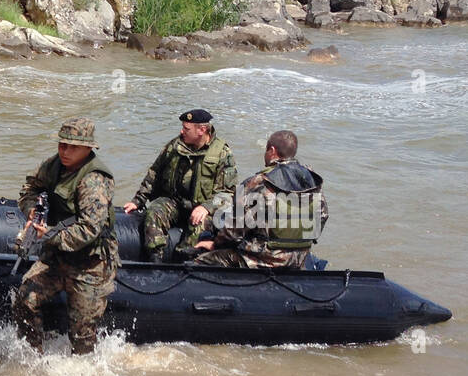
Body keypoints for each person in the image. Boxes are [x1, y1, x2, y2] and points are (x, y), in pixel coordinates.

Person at [13, 118, 119, 355]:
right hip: (57, 256)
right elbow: (29, 189)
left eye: (72, 146)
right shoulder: (53, 165)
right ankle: (33, 356)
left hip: (90, 265)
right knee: (25, 301)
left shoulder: (94, 180)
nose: (65, 150)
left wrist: (49, 235)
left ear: (88, 148)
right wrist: (32, 210)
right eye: (62, 144)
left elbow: (90, 229)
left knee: (82, 334)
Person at [190, 130, 328, 269]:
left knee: (200, 262)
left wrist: (214, 244)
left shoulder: (257, 182)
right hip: (300, 258)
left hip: (264, 261)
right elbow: (323, 216)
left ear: (272, 151)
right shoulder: (311, 179)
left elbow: (234, 231)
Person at [122, 109, 237, 262]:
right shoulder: (175, 146)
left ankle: (185, 259)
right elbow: (154, 173)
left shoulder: (222, 153)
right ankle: (155, 259)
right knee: (155, 211)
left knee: (200, 223)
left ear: (201, 130)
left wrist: (207, 207)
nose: (182, 131)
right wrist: (138, 200)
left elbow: (227, 193)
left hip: (202, 208)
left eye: (186, 128)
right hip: (175, 202)